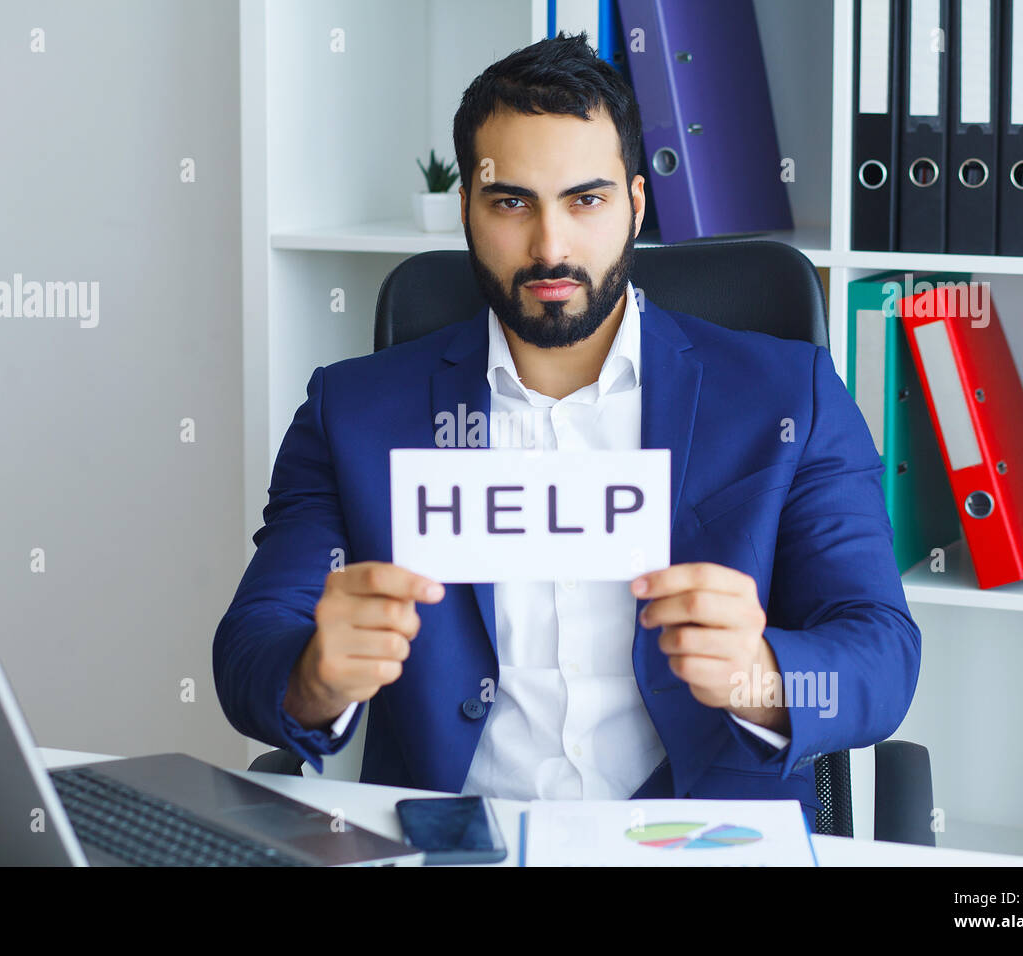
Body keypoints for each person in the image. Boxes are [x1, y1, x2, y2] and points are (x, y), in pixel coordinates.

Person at [213, 32, 920, 830]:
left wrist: (760, 674)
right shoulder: (354, 413)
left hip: (703, 841)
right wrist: (314, 676)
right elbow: (249, 648)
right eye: (511, 202)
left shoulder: (790, 397)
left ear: (636, 204)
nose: (550, 246)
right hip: (458, 840)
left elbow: (882, 653)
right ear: (468, 213)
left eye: (585, 200)